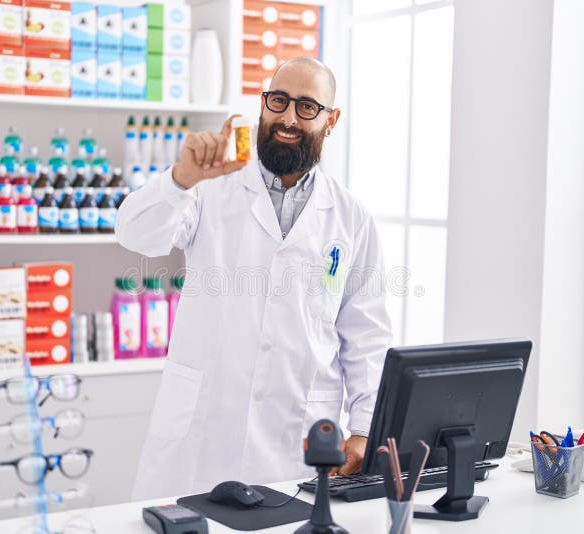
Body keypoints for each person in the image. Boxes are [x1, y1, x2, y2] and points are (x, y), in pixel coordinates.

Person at [116, 57, 392, 499]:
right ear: (263, 104)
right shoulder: (210, 186)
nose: (286, 118)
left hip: (296, 438)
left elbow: (366, 336)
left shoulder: (351, 217)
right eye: (278, 101)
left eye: (306, 107)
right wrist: (182, 178)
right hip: (203, 437)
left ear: (331, 119)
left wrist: (363, 428)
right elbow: (135, 234)